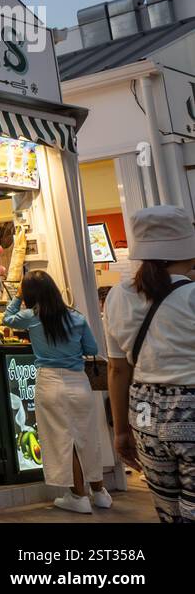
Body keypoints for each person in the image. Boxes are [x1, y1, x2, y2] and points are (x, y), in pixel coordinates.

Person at [104, 205, 195, 523]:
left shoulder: (117, 296)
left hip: (143, 413)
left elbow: (117, 369)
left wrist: (120, 431)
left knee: (167, 510)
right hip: (190, 406)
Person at [4, 270, 108, 513]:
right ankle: (100, 493)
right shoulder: (77, 317)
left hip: (49, 383)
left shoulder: (31, 317)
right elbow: (91, 347)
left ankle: (77, 496)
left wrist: (17, 297)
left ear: (30, 294)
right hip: (78, 383)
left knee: (62, 440)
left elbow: (7, 319)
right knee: (88, 438)